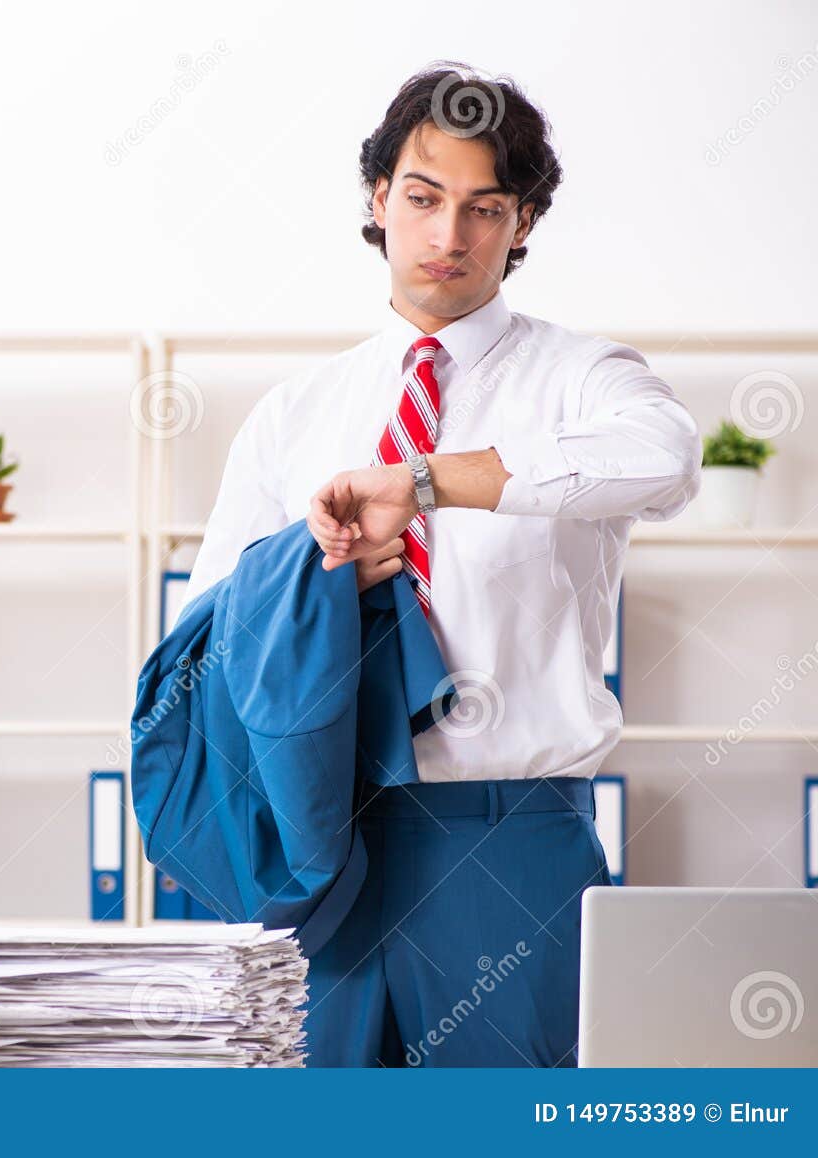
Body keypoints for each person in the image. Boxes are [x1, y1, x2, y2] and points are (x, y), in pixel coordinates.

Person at [182, 63, 701, 1067]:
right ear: (378, 202)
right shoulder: (294, 413)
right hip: (322, 837)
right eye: (422, 199)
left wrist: (421, 483)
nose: (447, 236)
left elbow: (663, 461)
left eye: (484, 207)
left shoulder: (585, 379)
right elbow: (210, 625)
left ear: (524, 220)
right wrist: (317, 580)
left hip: (504, 836)